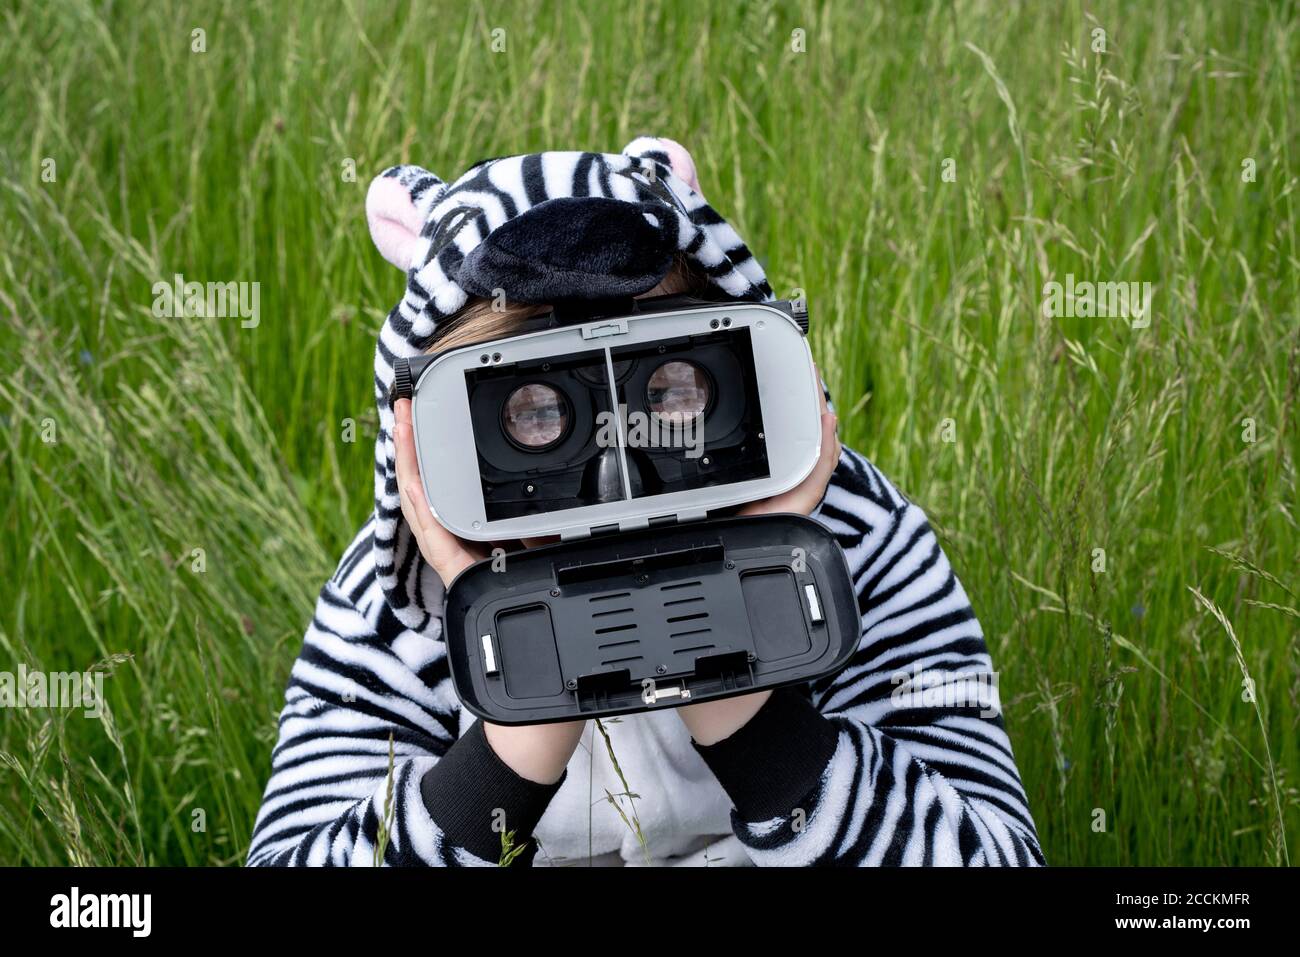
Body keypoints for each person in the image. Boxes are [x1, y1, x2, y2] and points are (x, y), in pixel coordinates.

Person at [246, 138, 1044, 866]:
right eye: (534, 411)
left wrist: (742, 652)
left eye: (669, 389)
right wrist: (522, 701)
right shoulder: (403, 597)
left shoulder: (855, 537)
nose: (612, 464)